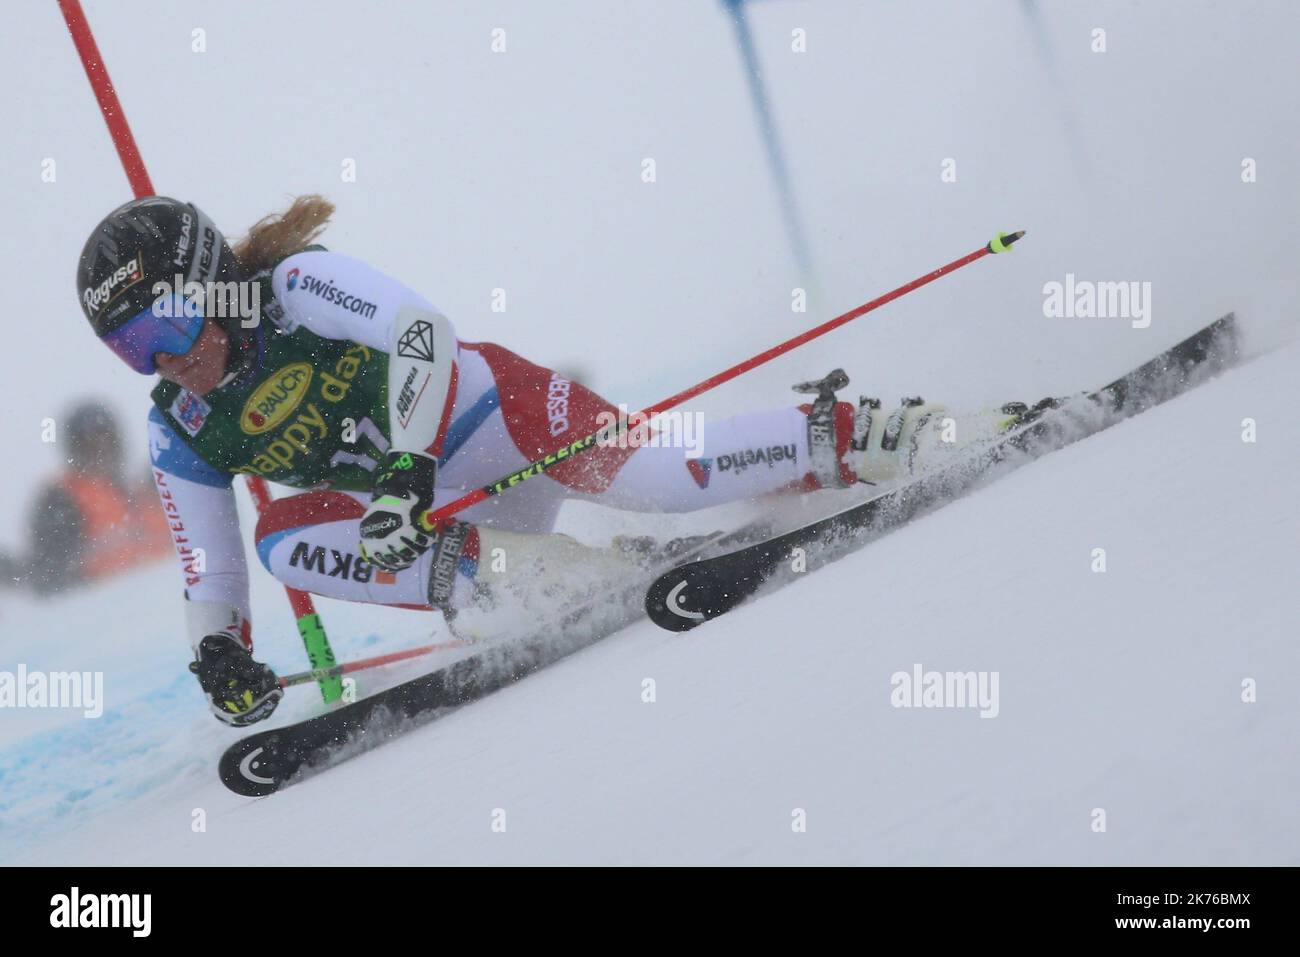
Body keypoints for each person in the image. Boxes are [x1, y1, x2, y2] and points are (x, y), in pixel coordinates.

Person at [75, 195, 1039, 727]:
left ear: (211, 279)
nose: (165, 357)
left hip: (501, 415)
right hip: (451, 513)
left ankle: (876, 433)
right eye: (132, 349)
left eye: (166, 321)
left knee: (663, 479)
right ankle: (566, 581)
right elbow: (212, 559)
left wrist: (409, 467)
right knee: (285, 538)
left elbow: (422, 331)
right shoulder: (181, 425)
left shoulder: (291, 286)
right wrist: (220, 648)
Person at [0, 401, 170, 596]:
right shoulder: (61, 501)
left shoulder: (153, 488)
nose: (101, 449)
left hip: (165, 607)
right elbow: (48, 578)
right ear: (73, 449)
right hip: (105, 614)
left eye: (108, 439)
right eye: (89, 443)